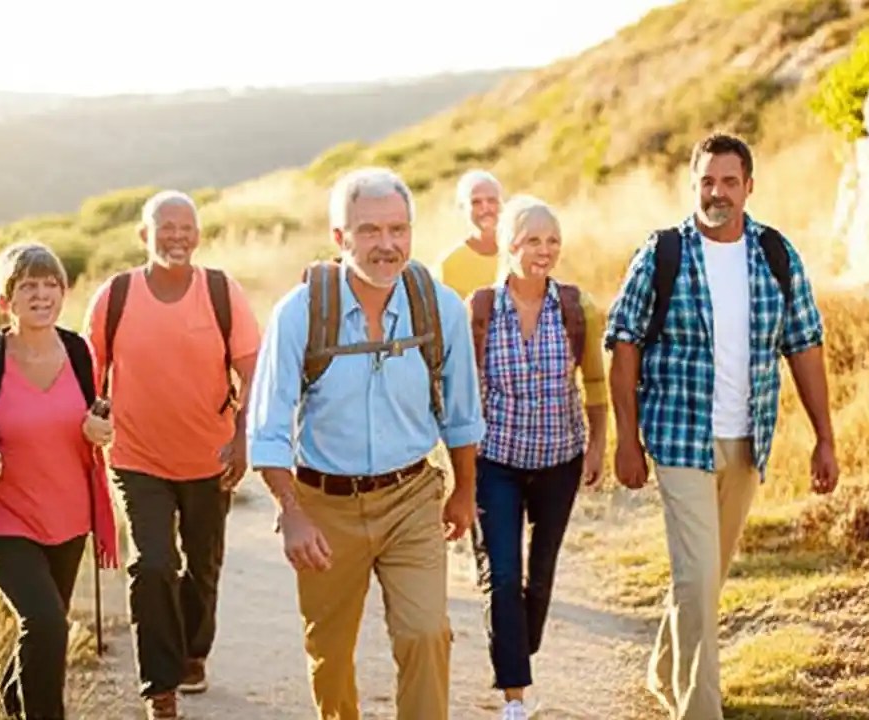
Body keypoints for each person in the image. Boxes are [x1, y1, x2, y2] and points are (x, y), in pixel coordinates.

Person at [604, 133, 840, 720]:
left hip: (747, 440)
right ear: (694, 186)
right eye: (707, 181)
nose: (717, 193)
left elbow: (805, 346)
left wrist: (824, 437)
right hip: (679, 436)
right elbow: (623, 342)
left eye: (729, 182)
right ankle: (698, 709)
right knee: (695, 575)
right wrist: (625, 439)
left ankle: (664, 666)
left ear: (749, 187)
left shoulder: (776, 255)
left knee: (706, 577)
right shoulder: (663, 254)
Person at [246, 166, 485, 720]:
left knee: (427, 633)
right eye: (371, 231)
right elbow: (270, 426)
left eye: (398, 229)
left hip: (412, 498)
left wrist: (464, 490)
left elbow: (463, 414)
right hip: (324, 506)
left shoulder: (440, 307)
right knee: (329, 654)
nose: (387, 245)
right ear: (340, 238)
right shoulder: (299, 313)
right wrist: (292, 512)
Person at [83, 190, 262, 720]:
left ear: (198, 235)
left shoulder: (220, 292)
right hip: (137, 460)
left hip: (211, 457)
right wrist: (91, 421)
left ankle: (192, 653)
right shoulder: (114, 296)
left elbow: (253, 374)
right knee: (154, 562)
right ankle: (159, 686)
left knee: (202, 566)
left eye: (186, 228)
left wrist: (243, 439)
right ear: (145, 234)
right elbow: (89, 380)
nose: (177, 236)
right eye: (166, 227)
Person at [0, 241, 120, 720]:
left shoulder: (80, 355)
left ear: (63, 292)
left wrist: (101, 432)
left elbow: (100, 422)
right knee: (48, 622)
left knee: (44, 627)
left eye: (50, 284)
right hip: (4, 520)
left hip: (69, 517)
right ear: (5, 300)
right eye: (27, 285)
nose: (40, 294)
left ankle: (14, 696)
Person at [465, 195, 608, 720]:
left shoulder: (576, 308)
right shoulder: (480, 310)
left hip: (559, 461)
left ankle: (515, 647)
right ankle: (515, 695)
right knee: (502, 573)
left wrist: (597, 445)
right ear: (509, 245)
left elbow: (594, 382)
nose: (543, 251)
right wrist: (459, 469)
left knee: (540, 575)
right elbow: (463, 393)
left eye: (552, 241)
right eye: (532, 240)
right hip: (494, 461)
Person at [432, 169, 504, 298]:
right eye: (476, 202)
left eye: (492, 200)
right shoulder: (449, 264)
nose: (485, 208)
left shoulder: (520, 253)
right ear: (462, 208)